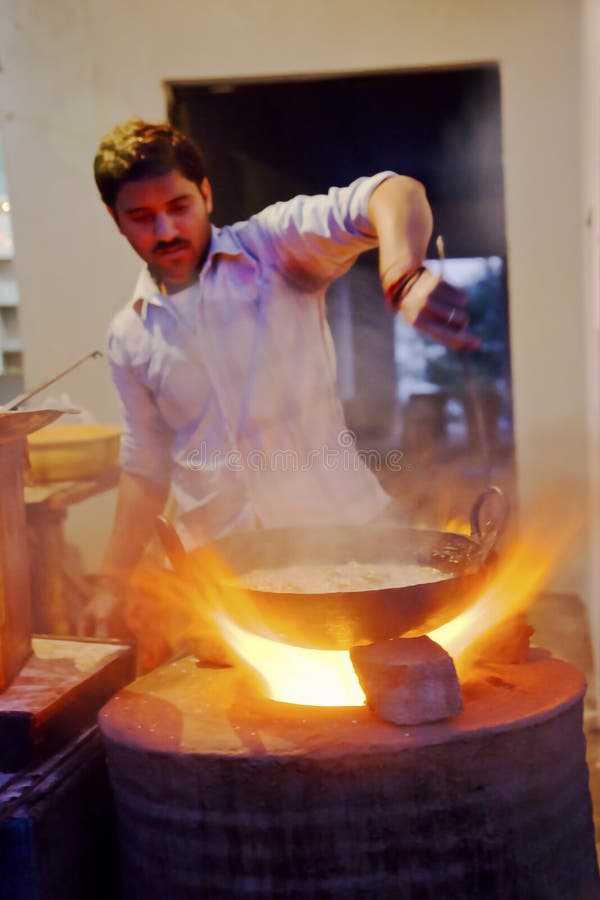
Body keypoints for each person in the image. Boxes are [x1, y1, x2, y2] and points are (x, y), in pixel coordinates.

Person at [79, 119, 476, 640]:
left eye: (179, 207)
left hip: (351, 545)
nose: (167, 232)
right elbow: (145, 466)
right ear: (115, 219)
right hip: (222, 581)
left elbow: (394, 191)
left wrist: (404, 276)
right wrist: (112, 581)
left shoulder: (272, 249)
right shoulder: (129, 334)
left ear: (206, 192)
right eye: (141, 217)